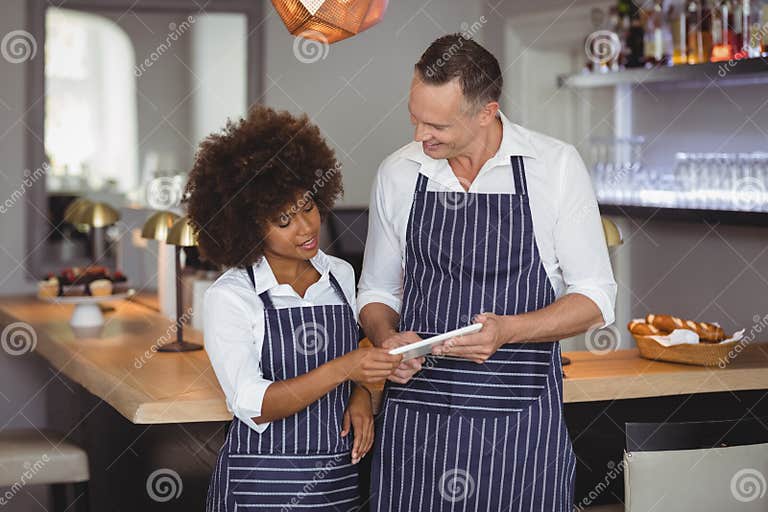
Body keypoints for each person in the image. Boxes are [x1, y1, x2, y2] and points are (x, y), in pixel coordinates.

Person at [358, 35, 618, 510]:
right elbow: (376, 290)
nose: (420, 136)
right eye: (414, 118)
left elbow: (596, 299)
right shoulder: (397, 173)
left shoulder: (555, 168)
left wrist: (508, 331)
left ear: (486, 111)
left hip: (519, 429)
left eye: (436, 124)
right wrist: (385, 336)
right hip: (418, 425)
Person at [184, 105, 402, 512]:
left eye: (307, 207)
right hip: (262, 489)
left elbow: (355, 352)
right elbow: (253, 403)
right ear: (248, 225)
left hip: (337, 482)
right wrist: (347, 369)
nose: (305, 227)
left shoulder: (338, 274)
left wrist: (358, 392)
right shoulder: (231, 296)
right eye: (283, 220)